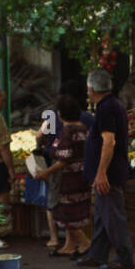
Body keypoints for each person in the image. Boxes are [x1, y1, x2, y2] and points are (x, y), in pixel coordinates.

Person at [75, 69, 134, 269]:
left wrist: (101, 173)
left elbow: (109, 142)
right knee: (102, 213)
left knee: (113, 214)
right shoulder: (112, 104)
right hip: (109, 171)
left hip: (109, 173)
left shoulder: (106, 108)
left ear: (91, 89)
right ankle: (97, 253)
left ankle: (124, 258)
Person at [34, 95, 92, 257]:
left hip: (67, 179)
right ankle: (70, 246)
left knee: (65, 214)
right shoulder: (83, 129)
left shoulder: (68, 132)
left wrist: (46, 172)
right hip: (81, 176)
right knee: (75, 212)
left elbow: (63, 160)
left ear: (60, 114)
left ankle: (85, 243)